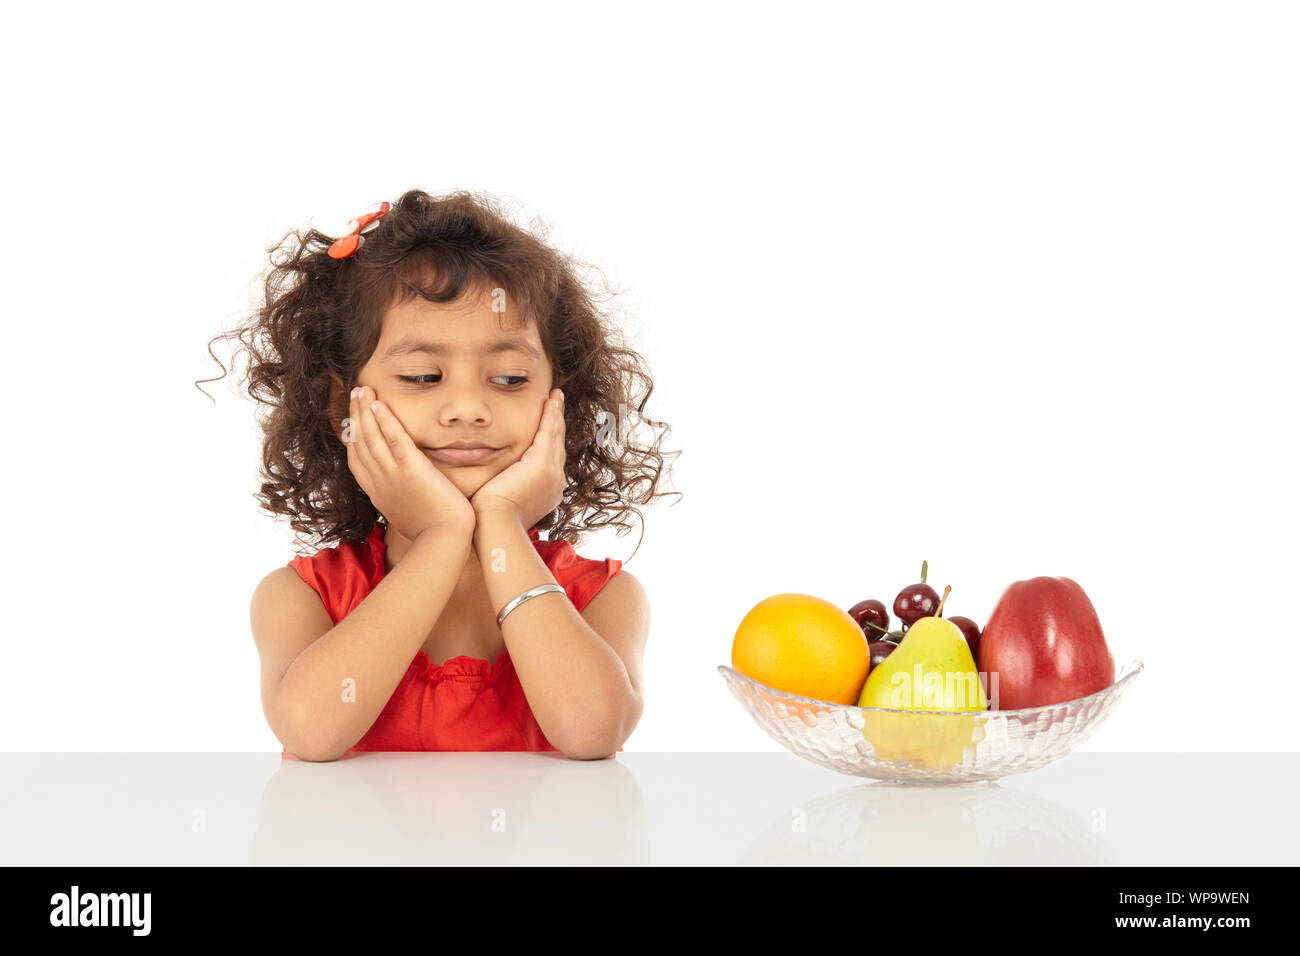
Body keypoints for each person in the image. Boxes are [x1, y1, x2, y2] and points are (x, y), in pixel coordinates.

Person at [197, 188, 681, 761]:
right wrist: (441, 535)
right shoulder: (303, 597)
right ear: (340, 405)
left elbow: (592, 731)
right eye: (425, 377)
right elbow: (311, 732)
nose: (468, 409)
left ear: (560, 404)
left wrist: (498, 522)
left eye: (509, 379)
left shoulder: (602, 598)